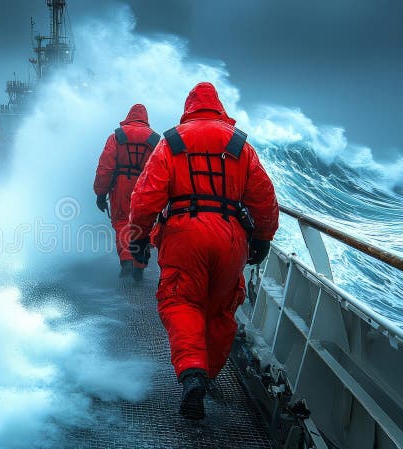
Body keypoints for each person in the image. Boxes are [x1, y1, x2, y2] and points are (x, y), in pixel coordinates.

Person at [129, 82, 279, 420]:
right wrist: (263, 238)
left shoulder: (173, 141)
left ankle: (192, 373)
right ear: (219, 107)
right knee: (221, 310)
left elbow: (146, 196)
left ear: (189, 108)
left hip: (184, 234)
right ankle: (208, 374)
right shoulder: (240, 145)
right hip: (231, 239)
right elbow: (264, 198)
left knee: (181, 301)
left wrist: (138, 235)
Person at [93, 104, 160, 280]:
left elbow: (105, 167)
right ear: (145, 119)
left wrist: (100, 193)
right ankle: (139, 267)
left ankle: (127, 260)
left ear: (129, 116)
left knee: (122, 221)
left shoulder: (116, 137)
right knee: (143, 224)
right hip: (144, 185)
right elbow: (160, 169)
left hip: (121, 186)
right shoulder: (154, 139)